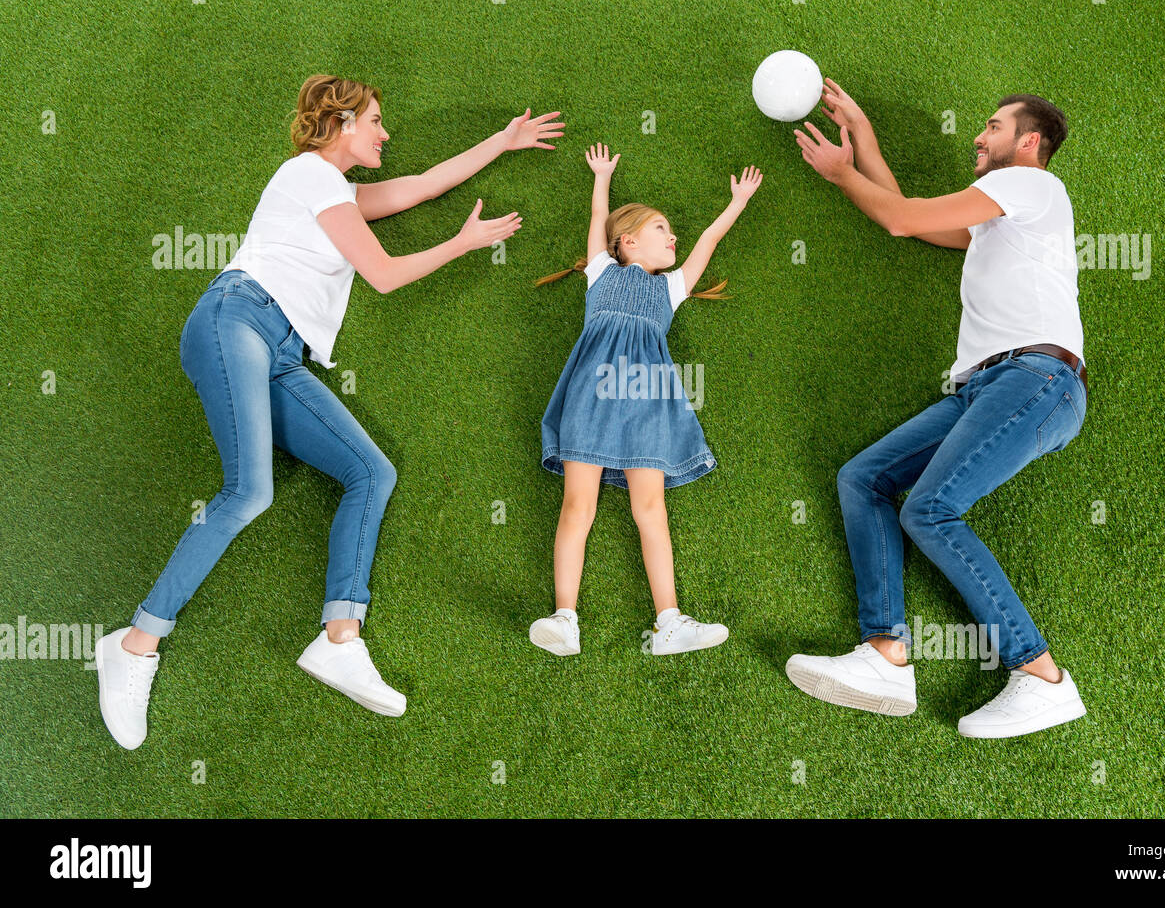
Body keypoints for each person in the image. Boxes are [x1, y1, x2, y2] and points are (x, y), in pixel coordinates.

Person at [95, 74, 564, 749]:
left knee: (372, 472)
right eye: (375, 120)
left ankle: (339, 638)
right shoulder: (310, 175)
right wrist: (462, 244)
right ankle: (135, 644)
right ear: (341, 123)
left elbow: (425, 184)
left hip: (281, 351)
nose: (385, 132)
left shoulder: (334, 192)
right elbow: (383, 273)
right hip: (239, 320)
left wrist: (505, 139)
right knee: (248, 491)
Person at [785, 80, 1088, 738]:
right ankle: (886, 653)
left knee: (929, 507)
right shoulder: (996, 220)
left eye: (993, 126)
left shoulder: (1032, 187)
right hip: (990, 386)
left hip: (1034, 377)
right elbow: (906, 213)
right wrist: (861, 135)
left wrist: (841, 174)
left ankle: (1038, 672)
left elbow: (898, 217)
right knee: (863, 478)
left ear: (1028, 141)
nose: (979, 136)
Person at [529, 143, 762, 656]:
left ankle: (670, 622)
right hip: (590, 399)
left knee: (651, 508)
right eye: (661, 229)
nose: (673, 235)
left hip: (650, 403)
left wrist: (738, 202)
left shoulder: (673, 288)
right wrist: (601, 177)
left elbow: (707, 239)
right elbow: (598, 216)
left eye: (672, 230)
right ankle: (564, 616)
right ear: (627, 241)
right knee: (577, 504)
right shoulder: (599, 270)